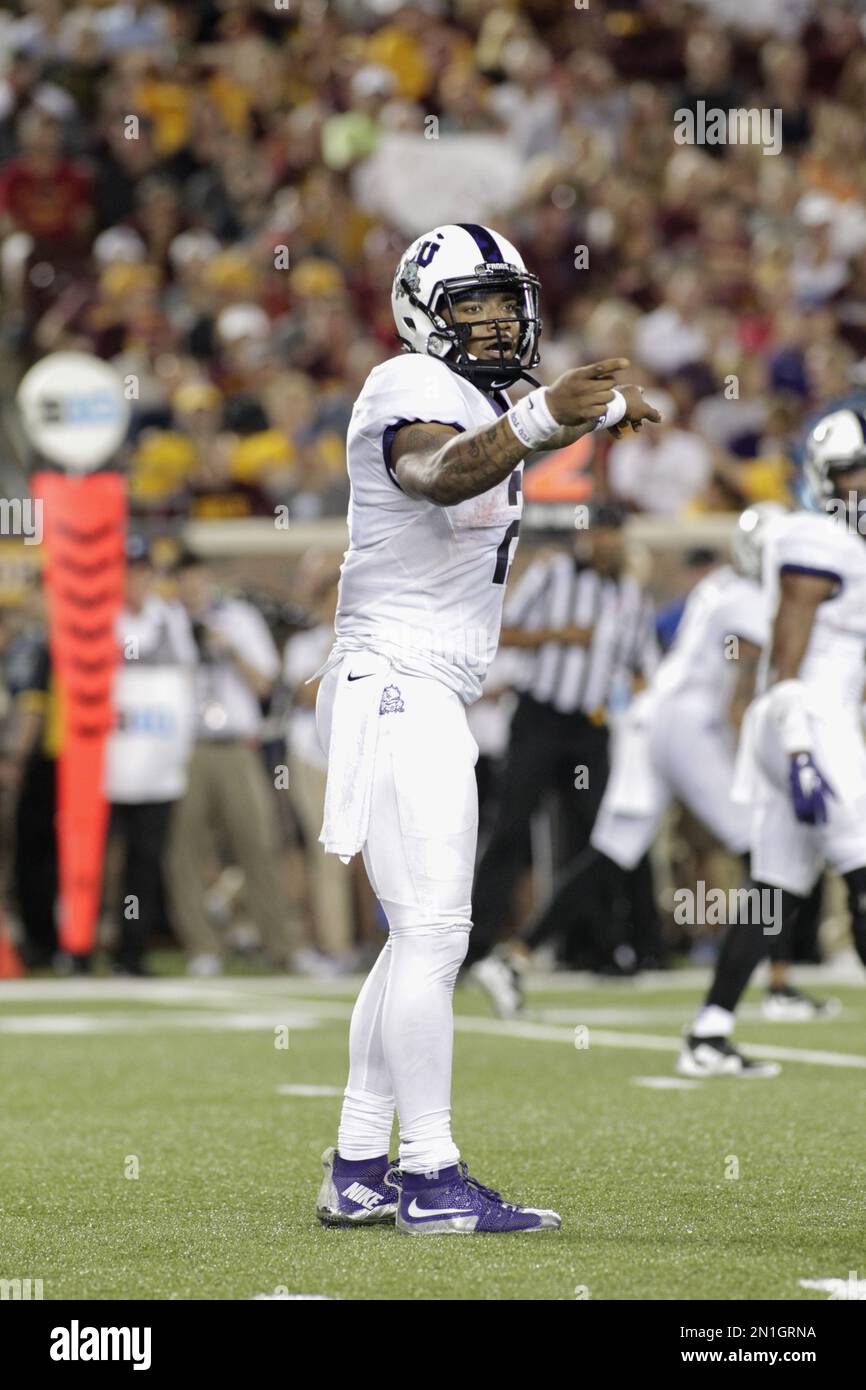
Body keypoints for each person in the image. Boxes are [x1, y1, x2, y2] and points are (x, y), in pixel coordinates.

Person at [312, 222, 660, 1234]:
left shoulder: (487, 401)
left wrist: (575, 418)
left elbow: (497, 451)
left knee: (411, 937)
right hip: (396, 678)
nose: (494, 320)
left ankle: (359, 1162)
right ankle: (428, 1174)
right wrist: (550, 418)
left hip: (418, 685)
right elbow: (440, 474)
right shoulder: (403, 386)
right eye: (469, 304)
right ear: (423, 315)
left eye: (503, 301)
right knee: (432, 933)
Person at [679, 407, 866, 1077]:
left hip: (810, 719)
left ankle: (709, 1029)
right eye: (854, 473)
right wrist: (798, 743)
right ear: (825, 477)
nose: (864, 485)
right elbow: (787, 658)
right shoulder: (817, 538)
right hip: (802, 717)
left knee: (772, 888)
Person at [467, 500, 663, 1015]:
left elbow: (644, 666)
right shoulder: (553, 575)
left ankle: (595, 948)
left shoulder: (630, 595)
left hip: (590, 729)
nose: (603, 543)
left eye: (612, 534)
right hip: (539, 719)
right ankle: (474, 948)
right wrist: (560, 636)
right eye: (597, 533)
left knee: (596, 839)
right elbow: (501, 630)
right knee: (509, 830)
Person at [166, 551, 293, 975]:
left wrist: (230, 648)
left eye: (198, 580)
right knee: (184, 849)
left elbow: (265, 685)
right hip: (187, 747)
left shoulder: (239, 619)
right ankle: (203, 946)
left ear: (209, 579)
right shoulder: (166, 622)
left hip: (238, 745)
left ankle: (281, 947)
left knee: (258, 844)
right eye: (184, 581)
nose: (192, 589)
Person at [104, 537, 196, 975]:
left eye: (142, 572)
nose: (135, 580)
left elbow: (185, 683)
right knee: (99, 858)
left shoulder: (169, 619)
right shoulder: (102, 618)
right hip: (108, 761)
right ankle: (82, 946)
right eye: (128, 571)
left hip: (155, 762)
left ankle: (132, 950)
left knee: (144, 862)